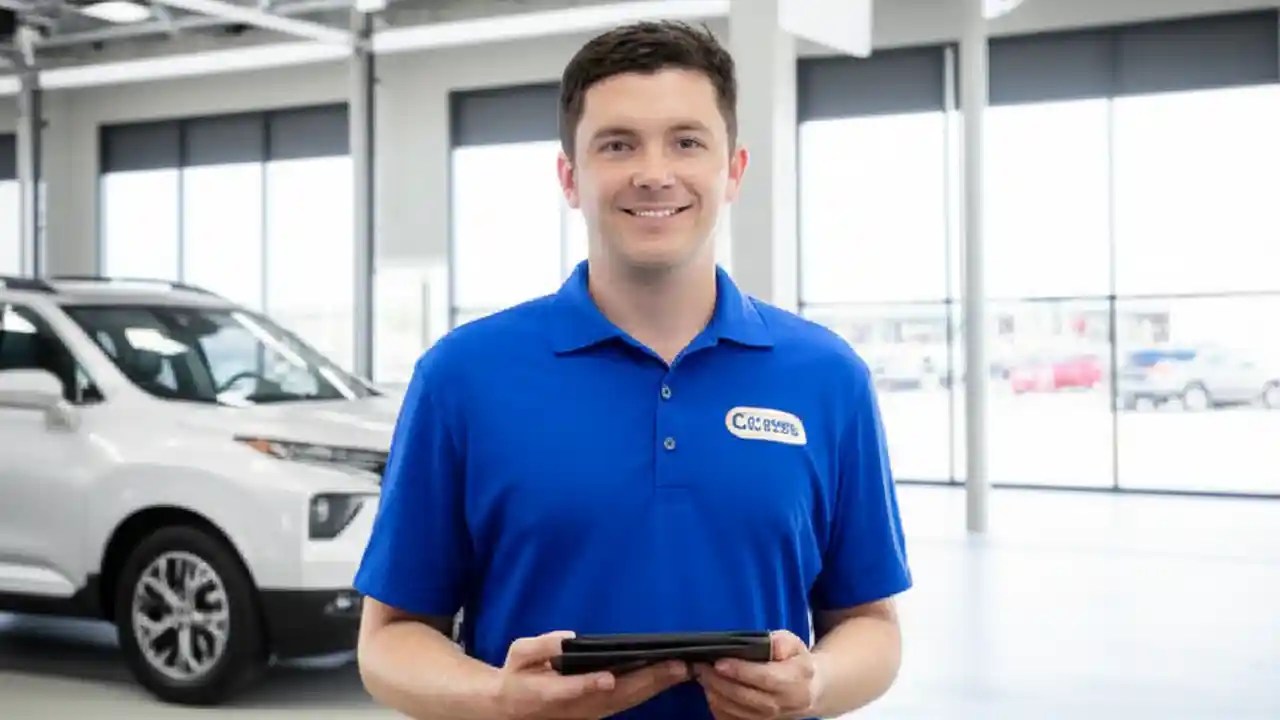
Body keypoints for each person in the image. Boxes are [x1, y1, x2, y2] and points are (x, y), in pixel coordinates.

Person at [353, 20, 912, 720]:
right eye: (617, 145)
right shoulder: (462, 377)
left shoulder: (827, 377)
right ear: (570, 176)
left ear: (732, 170)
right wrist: (498, 697)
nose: (654, 172)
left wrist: (818, 683)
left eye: (687, 141)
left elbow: (871, 626)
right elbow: (390, 640)